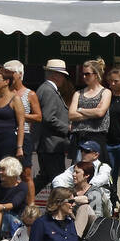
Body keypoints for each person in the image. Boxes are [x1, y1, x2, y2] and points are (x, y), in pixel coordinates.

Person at [35, 59, 72, 191]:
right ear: (55, 75)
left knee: (45, 177)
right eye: (62, 75)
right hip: (51, 145)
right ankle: (55, 209)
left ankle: (25, 201)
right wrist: (67, 128)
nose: (63, 79)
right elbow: (48, 117)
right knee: (58, 180)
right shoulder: (49, 91)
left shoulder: (47, 89)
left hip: (49, 144)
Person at [67, 59, 111, 161]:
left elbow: (100, 113)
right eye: (83, 74)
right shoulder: (78, 93)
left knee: (96, 172)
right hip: (78, 138)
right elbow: (71, 115)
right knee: (79, 171)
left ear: (96, 75)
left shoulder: (105, 92)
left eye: (87, 74)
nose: (84, 77)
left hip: (97, 138)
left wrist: (80, 109)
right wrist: (93, 112)